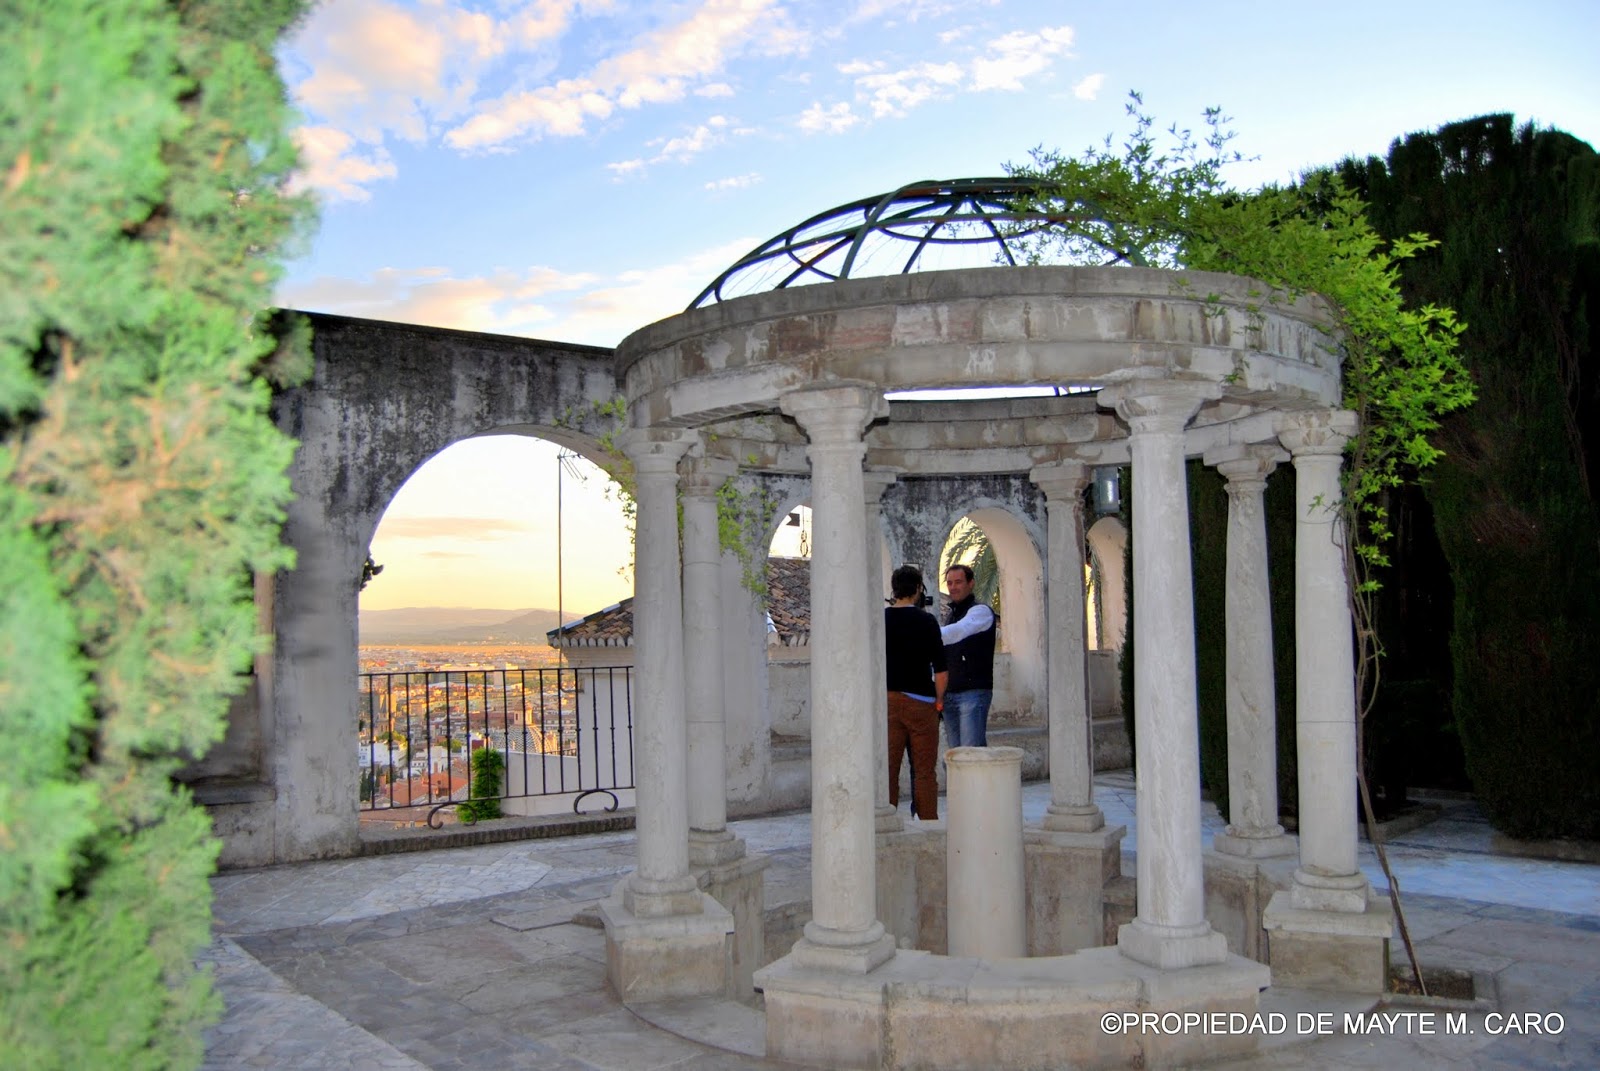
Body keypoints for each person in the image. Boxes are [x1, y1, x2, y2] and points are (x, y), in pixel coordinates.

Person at [885, 564, 947, 821]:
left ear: (894, 589)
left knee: (888, 769)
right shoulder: (927, 621)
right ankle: (928, 822)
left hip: (888, 702)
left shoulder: (882, 619)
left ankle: (885, 821)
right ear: (919, 589)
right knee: (924, 770)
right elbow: (941, 669)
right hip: (921, 703)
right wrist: (939, 701)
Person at [940, 563, 997, 748]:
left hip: (972, 694)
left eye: (958, 582)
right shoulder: (951, 615)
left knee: (972, 755)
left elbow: (958, 631)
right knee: (955, 756)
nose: (953, 587)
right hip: (950, 695)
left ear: (971, 583)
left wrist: (923, 631)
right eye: (949, 583)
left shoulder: (981, 612)